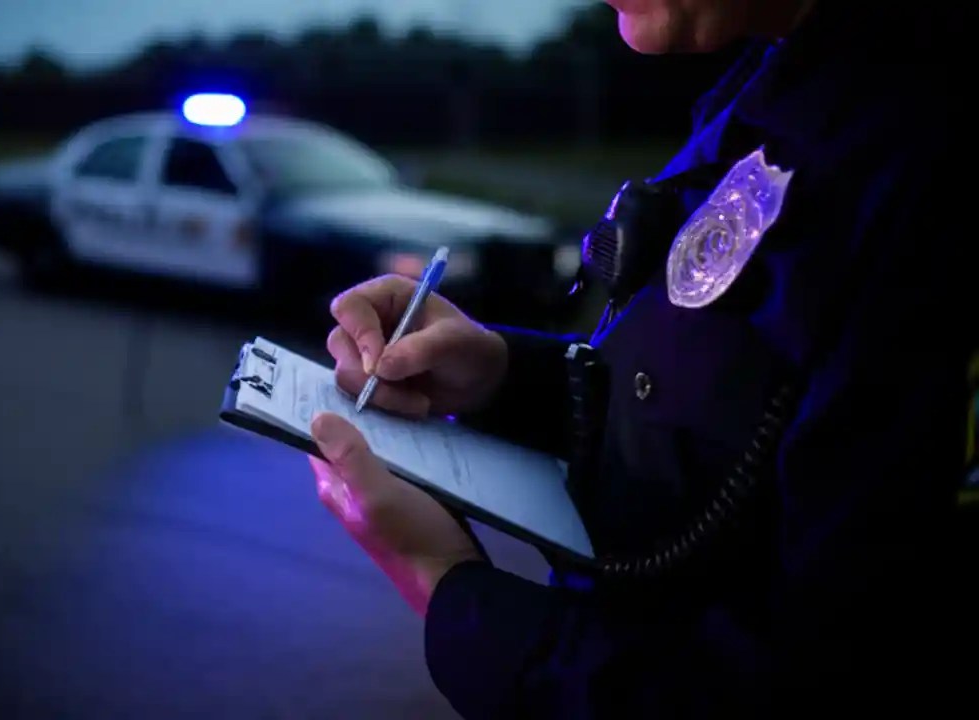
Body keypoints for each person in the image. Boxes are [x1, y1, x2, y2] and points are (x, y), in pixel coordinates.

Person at [306, 0, 974, 716]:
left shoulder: (932, 165)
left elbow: (828, 680)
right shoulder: (776, 75)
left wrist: (447, 586)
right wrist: (500, 373)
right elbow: (731, 411)